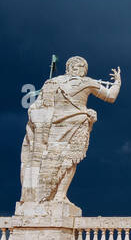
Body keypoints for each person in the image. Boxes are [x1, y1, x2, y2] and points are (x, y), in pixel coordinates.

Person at [19, 56, 121, 212]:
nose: (77, 68)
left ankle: (59, 196)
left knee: (69, 160)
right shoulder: (54, 83)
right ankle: (53, 196)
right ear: (68, 68)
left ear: (84, 70)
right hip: (55, 126)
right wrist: (118, 83)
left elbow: (110, 96)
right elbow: (110, 96)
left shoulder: (83, 82)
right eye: (74, 65)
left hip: (73, 125)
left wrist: (117, 83)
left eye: (81, 66)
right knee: (57, 160)